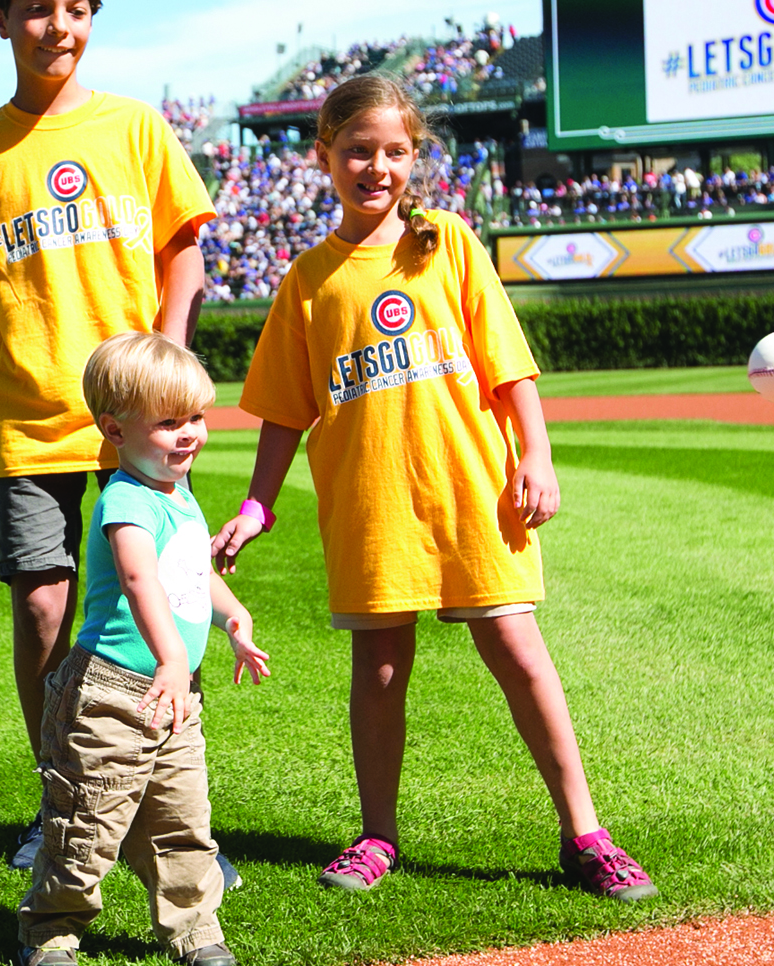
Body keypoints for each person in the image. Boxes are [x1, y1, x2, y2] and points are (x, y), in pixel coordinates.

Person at [211, 73, 656, 903]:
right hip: (372, 503)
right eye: (356, 151)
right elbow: (282, 413)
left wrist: (538, 455)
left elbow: (509, 367)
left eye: (393, 151)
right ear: (324, 158)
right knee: (379, 666)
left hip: (473, 491)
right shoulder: (308, 279)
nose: (375, 167)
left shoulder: (446, 240)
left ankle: (585, 831)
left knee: (519, 652)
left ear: (415, 156)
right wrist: (256, 503)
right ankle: (378, 834)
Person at [0, 0, 221, 875]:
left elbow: (186, 255)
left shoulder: (136, 127)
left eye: (78, 10)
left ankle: (172, 820)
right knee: (46, 613)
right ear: (5, 18)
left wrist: (164, 373)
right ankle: (65, 804)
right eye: (42, 8)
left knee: (165, 606)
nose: (60, 26)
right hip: (27, 414)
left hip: (136, 419)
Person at [17, 332, 268, 966]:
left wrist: (231, 615)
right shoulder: (127, 500)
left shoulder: (177, 493)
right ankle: (52, 929)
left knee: (183, 817)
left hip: (172, 691)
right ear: (115, 430)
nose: (188, 435)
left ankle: (193, 926)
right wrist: (170, 659)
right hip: (110, 692)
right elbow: (140, 580)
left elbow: (187, 571)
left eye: (196, 418)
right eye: (168, 423)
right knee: (87, 819)